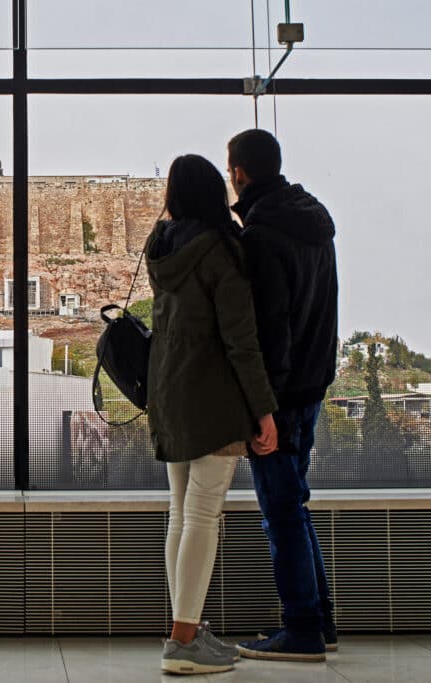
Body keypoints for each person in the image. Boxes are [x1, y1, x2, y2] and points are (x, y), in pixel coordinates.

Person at [147, 154, 279, 675]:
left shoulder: (161, 247)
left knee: (181, 515)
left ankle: (186, 630)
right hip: (215, 401)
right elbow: (241, 341)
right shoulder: (222, 251)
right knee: (202, 517)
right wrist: (263, 409)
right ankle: (183, 643)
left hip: (169, 394)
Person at [228, 129, 340, 662]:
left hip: (283, 394)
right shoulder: (314, 224)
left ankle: (301, 629)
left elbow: (271, 327)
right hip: (313, 384)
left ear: (239, 172)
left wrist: (263, 407)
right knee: (295, 504)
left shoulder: (262, 235)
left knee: (281, 511)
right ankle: (320, 621)